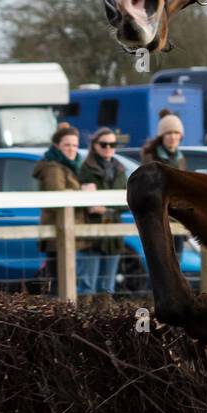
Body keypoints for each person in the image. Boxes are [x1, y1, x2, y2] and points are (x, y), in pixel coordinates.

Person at [33, 125, 89, 298]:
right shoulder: (54, 168)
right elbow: (57, 198)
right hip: (58, 231)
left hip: (70, 230)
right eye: (67, 145)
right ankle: (59, 319)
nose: (72, 149)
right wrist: (84, 194)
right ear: (57, 146)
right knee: (59, 283)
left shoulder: (73, 165)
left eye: (74, 145)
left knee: (67, 281)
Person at [79, 127, 128, 301]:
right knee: (87, 284)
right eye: (104, 144)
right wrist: (109, 205)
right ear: (95, 145)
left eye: (112, 144)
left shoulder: (120, 169)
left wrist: (107, 206)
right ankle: (82, 321)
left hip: (114, 232)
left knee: (108, 285)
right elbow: (90, 205)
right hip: (92, 231)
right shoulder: (86, 168)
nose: (108, 147)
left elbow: (127, 201)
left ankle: (104, 324)